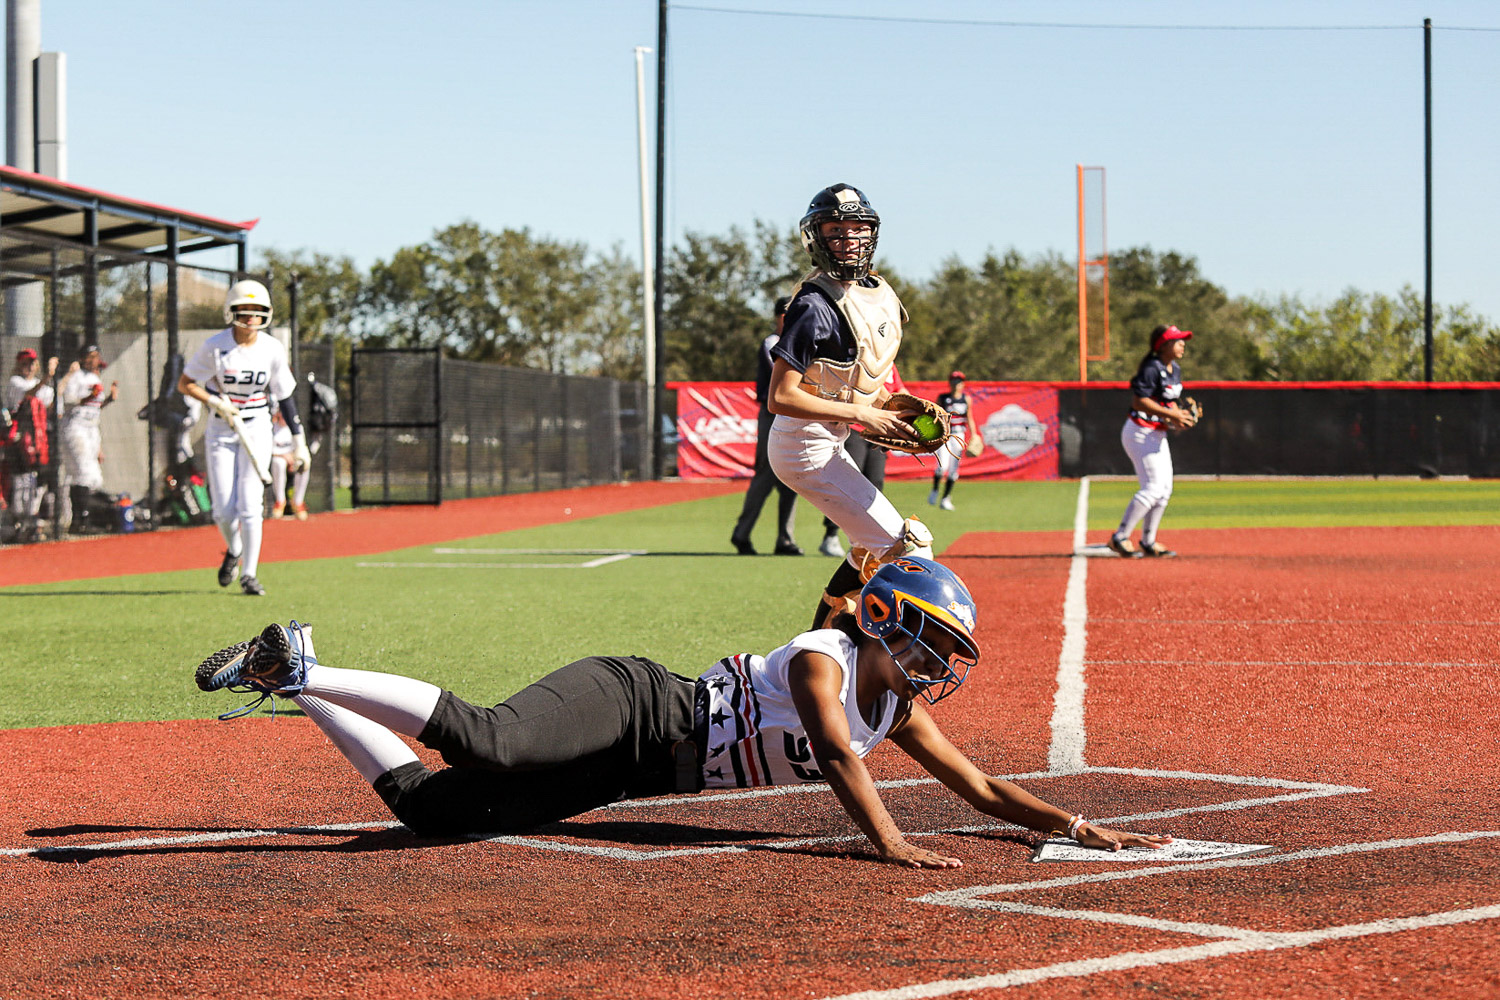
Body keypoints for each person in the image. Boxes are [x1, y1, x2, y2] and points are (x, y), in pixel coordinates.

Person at [193, 556, 1173, 867]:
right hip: (635, 702)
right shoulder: (829, 664)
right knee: (488, 734)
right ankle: (309, 656)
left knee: (432, 813)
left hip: (634, 771)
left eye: (940, 656)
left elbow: (987, 786)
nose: (929, 666)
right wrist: (892, 843)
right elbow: (834, 754)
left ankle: (293, 679)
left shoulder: (898, 709)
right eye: (922, 641)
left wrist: (1077, 825)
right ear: (879, 621)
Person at [766, 184, 932, 627]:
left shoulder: (876, 292)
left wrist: (886, 405)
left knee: (868, 547)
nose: (849, 240)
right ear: (815, 238)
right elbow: (780, 396)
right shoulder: (813, 304)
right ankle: (871, 660)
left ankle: (819, 642)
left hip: (825, 442)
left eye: (858, 230)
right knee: (910, 549)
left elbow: (852, 382)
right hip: (802, 449)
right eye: (836, 231)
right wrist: (863, 414)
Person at [178, 279, 310, 596]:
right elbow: (187, 383)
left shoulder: (272, 348)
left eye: (257, 311)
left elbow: (286, 395)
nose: (250, 318)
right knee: (223, 509)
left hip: (257, 426)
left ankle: (250, 574)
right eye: (244, 310)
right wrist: (216, 403)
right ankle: (234, 550)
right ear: (231, 311)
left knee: (251, 503)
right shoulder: (215, 345)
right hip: (222, 427)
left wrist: (298, 439)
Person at [1109, 324, 1197, 559]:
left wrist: (1179, 419)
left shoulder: (1174, 369)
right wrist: (1173, 415)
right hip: (1139, 432)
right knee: (1153, 487)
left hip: (1156, 433)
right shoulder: (1151, 368)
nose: (1183, 344)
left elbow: (1169, 404)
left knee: (1165, 489)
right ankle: (1120, 537)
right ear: (1164, 345)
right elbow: (1139, 402)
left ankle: (1148, 541)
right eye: (1178, 340)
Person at [729, 296, 801, 556]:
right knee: (765, 476)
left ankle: (785, 539)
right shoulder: (773, 343)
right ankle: (742, 533)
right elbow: (787, 376)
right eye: (787, 314)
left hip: (794, 416)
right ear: (779, 317)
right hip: (773, 416)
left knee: (792, 480)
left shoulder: (798, 343)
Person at [56, 344, 117, 533]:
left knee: (93, 477)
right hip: (75, 428)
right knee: (82, 472)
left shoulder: (94, 377)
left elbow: (94, 409)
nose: (94, 360)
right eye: (91, 356)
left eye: (96, 356)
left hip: (91, 429)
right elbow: (67, 401)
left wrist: (109, 400)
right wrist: (89, 396)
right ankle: (80, 521)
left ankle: (83, 519)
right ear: (82, 358)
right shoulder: (76, 376)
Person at [4, 348, 57, 540]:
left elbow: (53, 407)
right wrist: (48, 377)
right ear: (18, 364)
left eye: (31, 363)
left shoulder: (42, 385)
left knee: (40, 480)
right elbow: (27, 395)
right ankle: (18, 522)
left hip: (40, 439)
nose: (28, 366)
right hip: (18, 439)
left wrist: (64, 377)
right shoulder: (15, 382)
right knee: (21, 481)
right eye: (25, 363)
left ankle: (33, 521)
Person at [930, 370, 980, 512]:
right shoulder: (943, 398)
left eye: (958, 381)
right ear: (949, 383)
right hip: (945, 435)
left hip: (959, 435)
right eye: (953, 381)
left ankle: (946, 498)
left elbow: (969, 417)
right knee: (941, 467)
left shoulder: (966, 399)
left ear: (962, 384)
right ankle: (935, 490)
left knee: (953, 470)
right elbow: (935, 415)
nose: (956, 384)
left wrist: (974, 434)